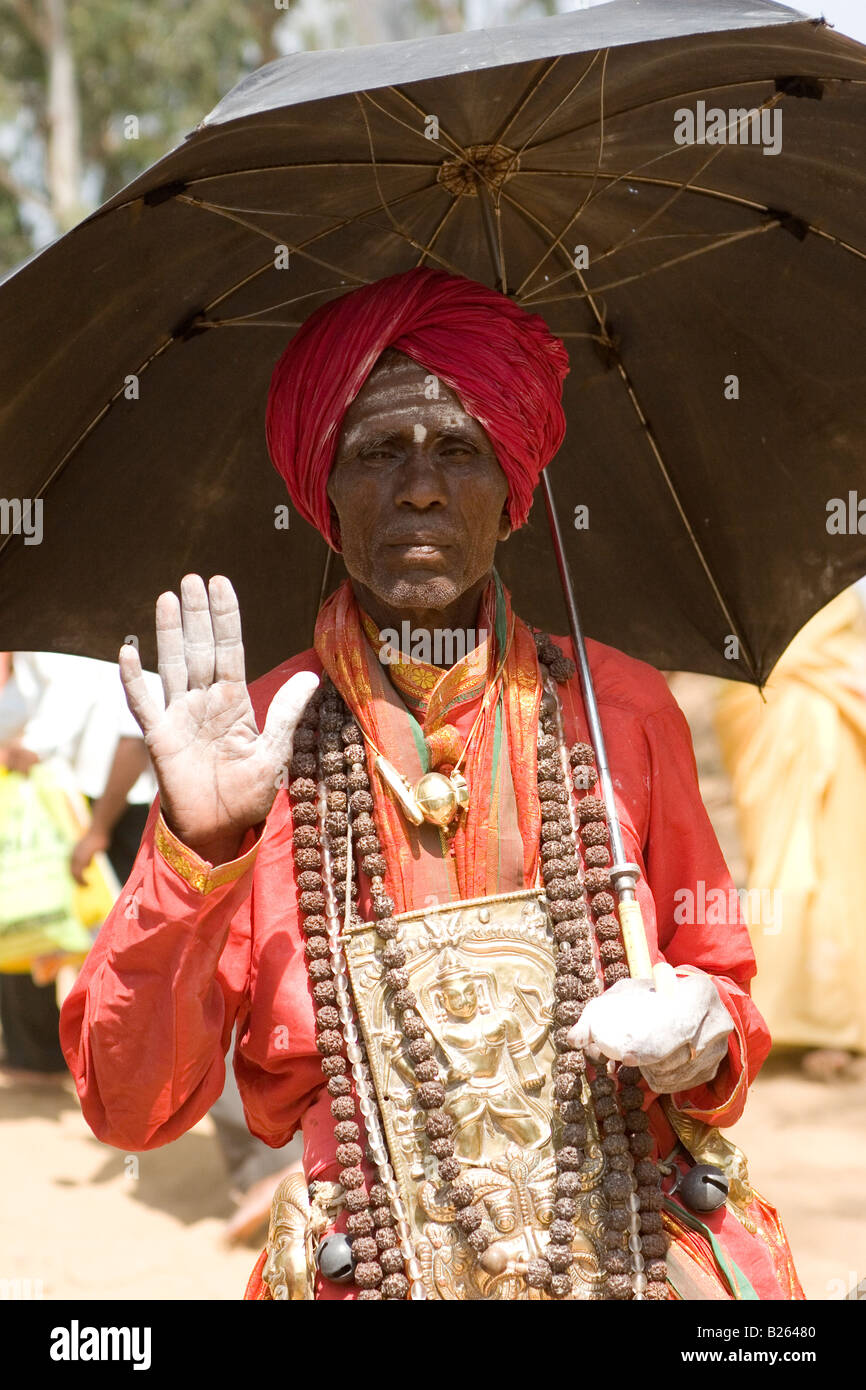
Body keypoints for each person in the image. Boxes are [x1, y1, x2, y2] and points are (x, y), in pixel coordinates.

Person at [61, 268, 802, 1301]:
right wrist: (203, 848)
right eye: (375, 452)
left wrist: (701, 1027)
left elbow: (718, 973)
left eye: (458, 448)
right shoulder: (252, 744)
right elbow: (125, 1107)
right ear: (322, 495)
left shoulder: (618, 708)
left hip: (627, 1262)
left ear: (513, 491)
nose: (418, 487)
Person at [715, 585, 866, 1079]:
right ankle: (783, 1014)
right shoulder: (740, 537)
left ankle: (828, 1021)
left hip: (831, 703)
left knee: (837, 860)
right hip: (771, 705)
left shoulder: (840, 548)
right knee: (784, 860)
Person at [0, 652, 157, 1080]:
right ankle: (70, 1054)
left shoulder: (107, 651)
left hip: (113, 809)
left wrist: (98, 830)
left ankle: (120, 1061)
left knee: (119, 943)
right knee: (73, 933)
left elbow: (131, 739)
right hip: (80, 799)